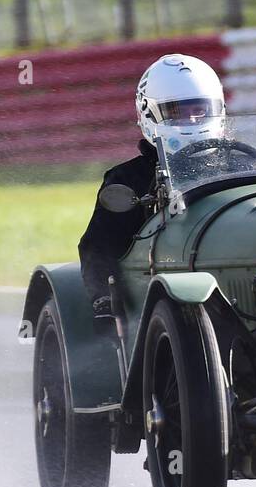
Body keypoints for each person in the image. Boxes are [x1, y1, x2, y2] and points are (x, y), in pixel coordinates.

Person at [78, 53, 227, 316]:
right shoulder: (128, 179)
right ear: (148, 113)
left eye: (199, 110)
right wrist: (105, 298)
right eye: (177, 112)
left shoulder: (243, 164)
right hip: (159, 305)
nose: (192, 121)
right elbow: (99, 246)